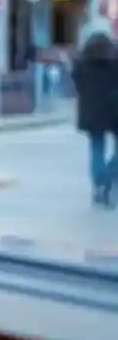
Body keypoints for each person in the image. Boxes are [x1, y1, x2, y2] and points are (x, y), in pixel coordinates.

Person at [71, 25, 118, 207]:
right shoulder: (115, 61)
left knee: (96, 147)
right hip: (115, 110)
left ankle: (99, 183)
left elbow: (77, 84)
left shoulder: (81, 63)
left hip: (91, 112)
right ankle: (110, 175)